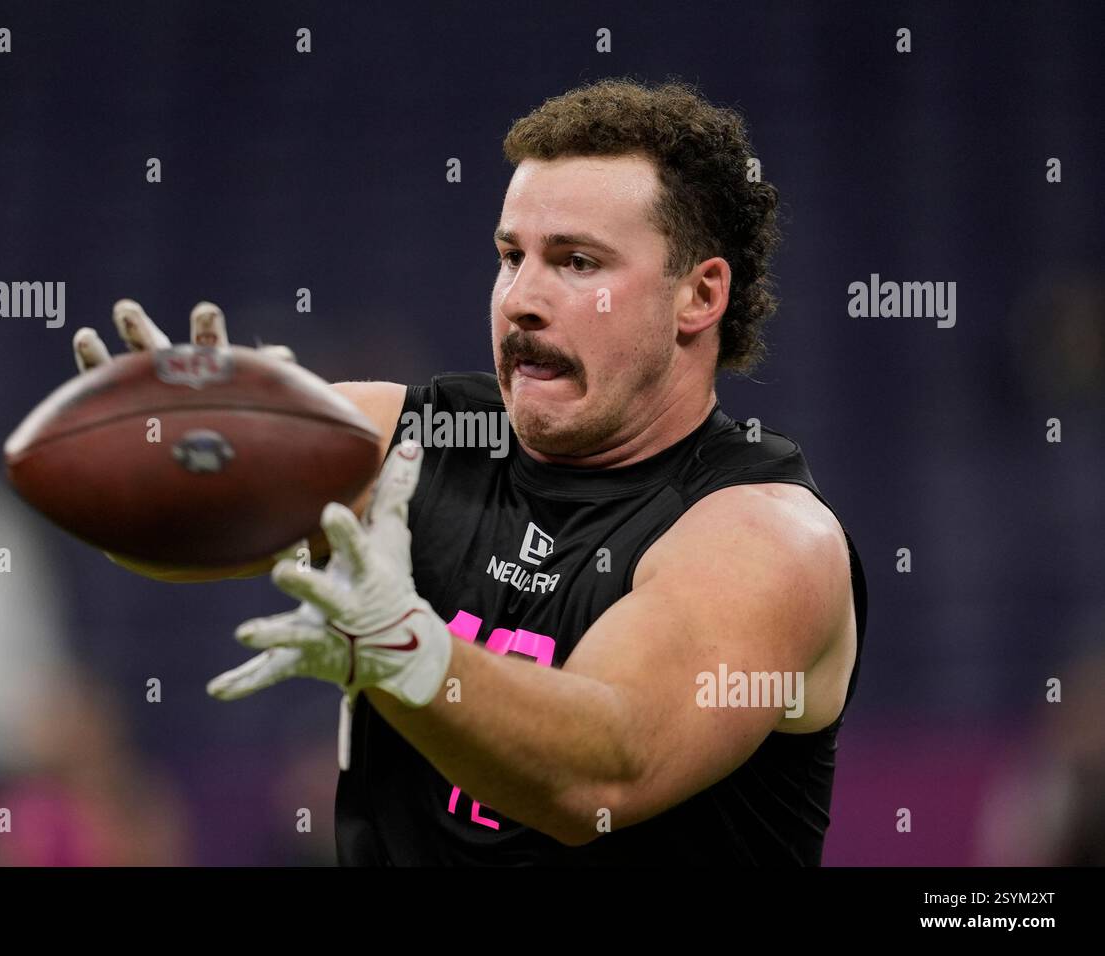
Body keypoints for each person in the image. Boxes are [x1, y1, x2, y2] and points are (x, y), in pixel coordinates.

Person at [71, 78, 867, 865]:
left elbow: (600, 773)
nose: (520, 297)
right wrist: (154, 470)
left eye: (578, 262)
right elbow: (175, 531)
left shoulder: (765, 537)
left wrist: (408, 651)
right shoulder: (413, 440)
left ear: (700, 294)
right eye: (511, 256)